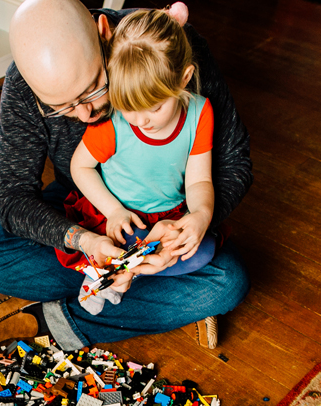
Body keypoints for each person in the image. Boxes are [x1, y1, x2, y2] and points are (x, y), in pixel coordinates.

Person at [0, 0, 251, 352]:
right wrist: (83, 240)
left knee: (228, 282)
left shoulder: (166, 50)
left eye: (93, 89)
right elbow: (13, 199)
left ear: (104, 32)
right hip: (84, 201)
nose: (84, 114)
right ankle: (157, 296)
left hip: (167, 210)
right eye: (61, 107)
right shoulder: (24, 86)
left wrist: (187, 226)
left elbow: (234, 163)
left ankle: (55, 321)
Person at [60, 9, 218, 315]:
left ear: (183, 78)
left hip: (166, 218)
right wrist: (114, 211)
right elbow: (80, 167)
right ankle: (124, 275)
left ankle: (126, 276)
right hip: (118, 219)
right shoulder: (114, 121)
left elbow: (199, 180)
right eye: (128, 106)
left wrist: (200, 215)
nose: (141, 119)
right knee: (112, 248)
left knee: (203, 252)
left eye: (155, 107)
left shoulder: (200, 113)